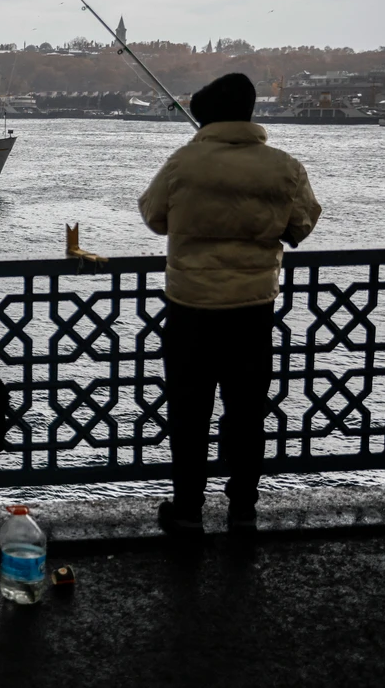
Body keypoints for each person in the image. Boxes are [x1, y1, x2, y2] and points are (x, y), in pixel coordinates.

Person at [138, 73, 320, 536]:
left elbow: (154, 216)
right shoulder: (285, 167)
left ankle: (187, 510)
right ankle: (242, 509)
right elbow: (301, 225)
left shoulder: (184, 162)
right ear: (250, 113)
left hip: (190, 306)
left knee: (189, 411)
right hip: (252, 308)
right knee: (245, 412)